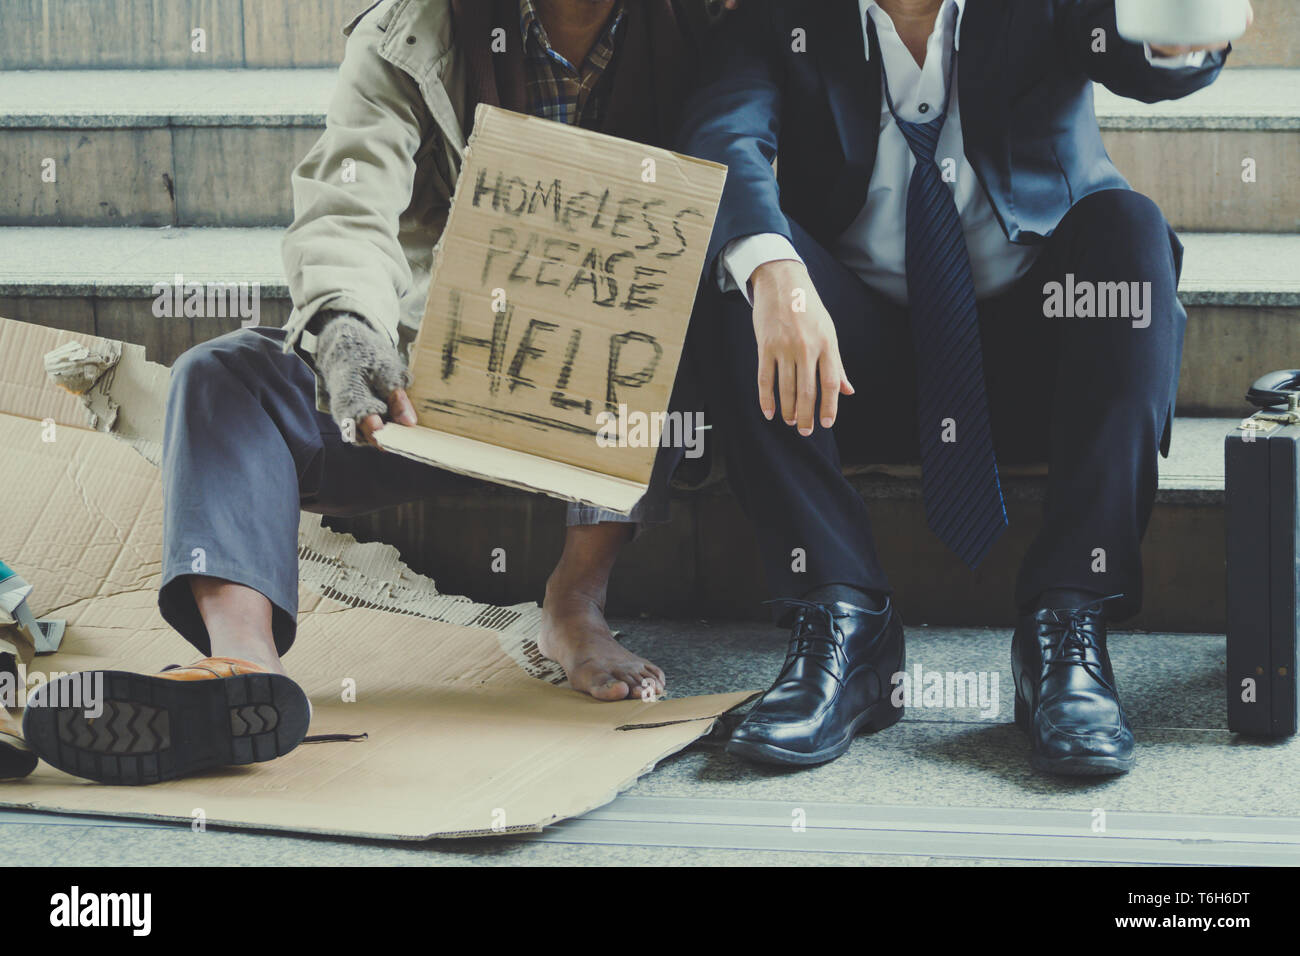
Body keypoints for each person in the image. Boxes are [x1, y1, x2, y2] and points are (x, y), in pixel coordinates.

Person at [21, 0, 737, 786]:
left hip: (598, 394)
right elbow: (349, 196)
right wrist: (347, 322)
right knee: (221, 374)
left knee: (655, 331)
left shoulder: (700, 23)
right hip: (426, 377)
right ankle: (244, 671)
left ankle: (574, 604)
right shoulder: (413, 30)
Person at [677, 0, 1245, 774]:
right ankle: (845, 619)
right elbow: (722, 135)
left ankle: (1066, 626)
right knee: (734, 270)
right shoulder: (783, 15)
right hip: (848, 368)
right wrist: (775, 271)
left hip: (1032, 358)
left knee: (1129, 234)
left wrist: (1185, 38)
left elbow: (1133, 51)